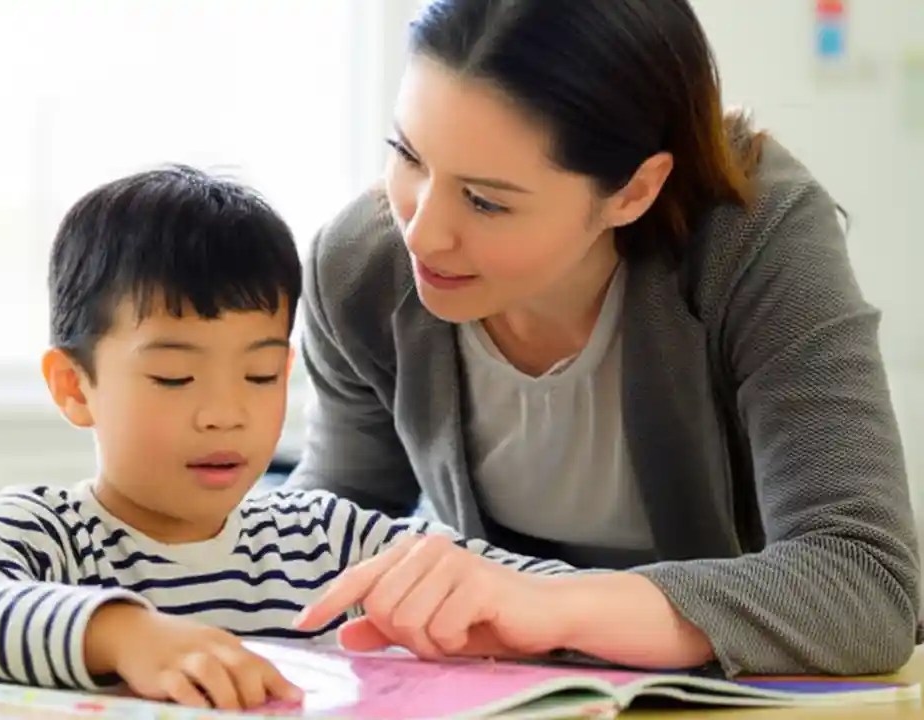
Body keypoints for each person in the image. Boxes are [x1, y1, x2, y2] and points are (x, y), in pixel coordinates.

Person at [289, 0, 920, 678]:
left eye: (485, 201)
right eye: (407, 154)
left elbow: (865, 580)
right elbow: (327, 534)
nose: (421, 232)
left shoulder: (753, 238)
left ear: (633, 191)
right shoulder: (361, 267)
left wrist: (552, 607)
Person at [0, 166, 649, 712]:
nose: (225, 414)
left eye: (259, 378)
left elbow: (532, 591)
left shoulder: (323, 538)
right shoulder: (49, 534)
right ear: (72, 386)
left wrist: (539, 623)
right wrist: (128, 638)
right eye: (174, 380)